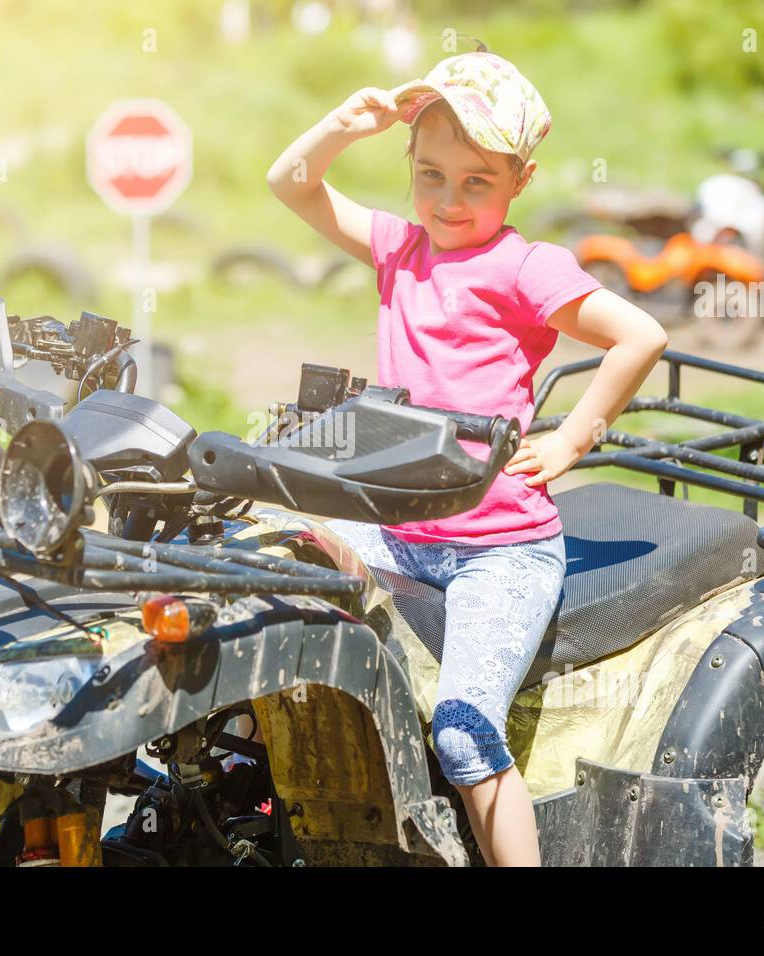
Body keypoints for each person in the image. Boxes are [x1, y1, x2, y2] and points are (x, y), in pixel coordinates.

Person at [266, 50, 668, 866]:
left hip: (500, 552)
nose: (449, 201)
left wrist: (573, 436)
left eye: (476, 181)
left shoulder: (524, 266)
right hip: (403, 531)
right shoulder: (397, 249)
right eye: (430, 175)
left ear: (520, 179)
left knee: (464, 735)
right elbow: (291, 183)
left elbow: (641, 335)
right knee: (271, 568)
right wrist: (344, 127)